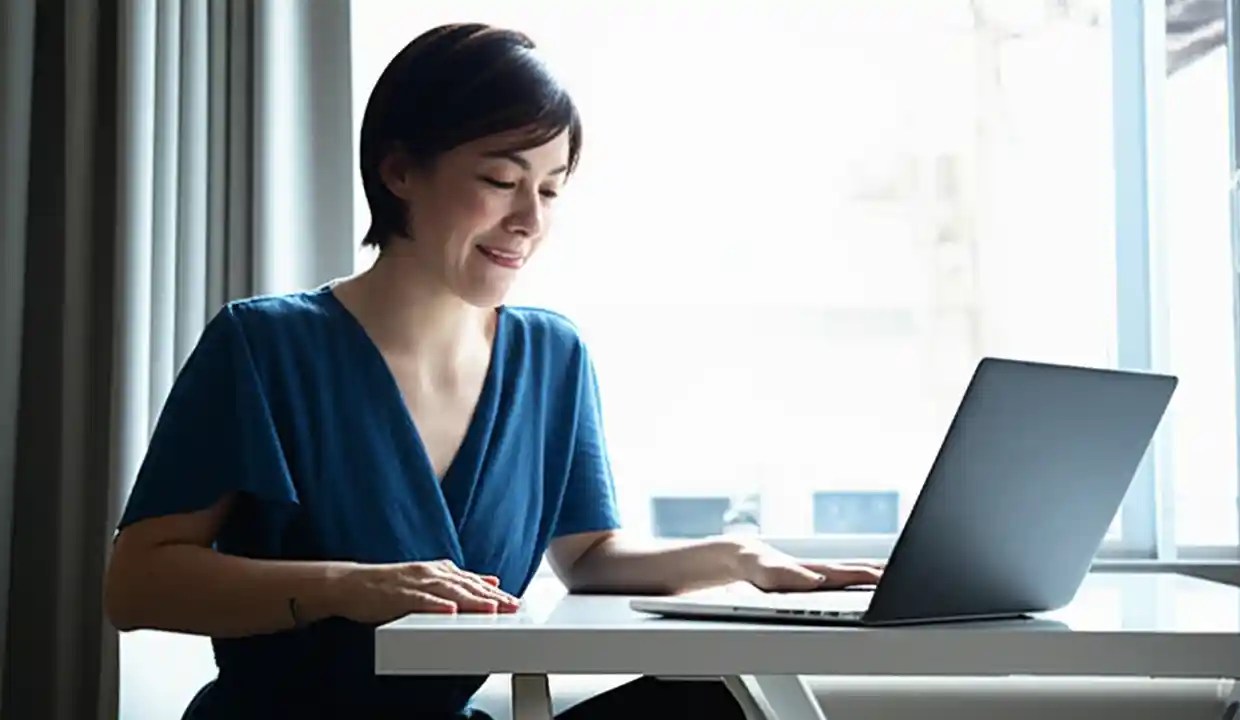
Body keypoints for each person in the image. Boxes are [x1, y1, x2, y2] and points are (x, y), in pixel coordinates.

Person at [103, 22, 882, 720]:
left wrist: (739, 560)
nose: (530, 220)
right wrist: (348, 586)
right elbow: (135, 584)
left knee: (716, 699)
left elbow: (588, 559)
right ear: (401, 171)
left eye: (550, 188)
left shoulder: (552, 357)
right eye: (501, 182)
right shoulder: (265, 346)